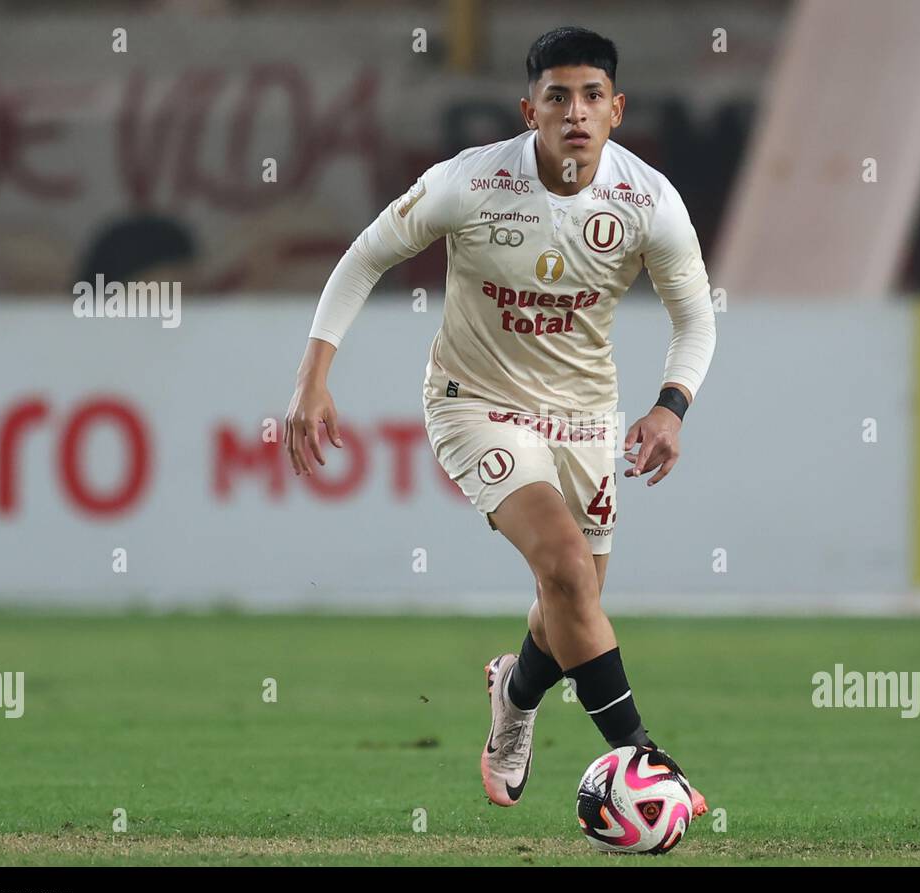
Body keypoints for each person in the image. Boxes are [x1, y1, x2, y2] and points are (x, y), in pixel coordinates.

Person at [285, 26, 716, 812]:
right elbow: (365, 255)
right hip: (475, 402)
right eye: (558, 97)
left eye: (592, 96)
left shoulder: (648, 200)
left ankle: (514, 698)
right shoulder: (471, 182)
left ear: (616, 110)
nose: (575, 113)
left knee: (572, 600)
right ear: (530, 110)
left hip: (585, 414)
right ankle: (643, 760)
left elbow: (696, 318)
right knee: (563, 566)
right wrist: (314, 377)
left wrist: (670, 406)